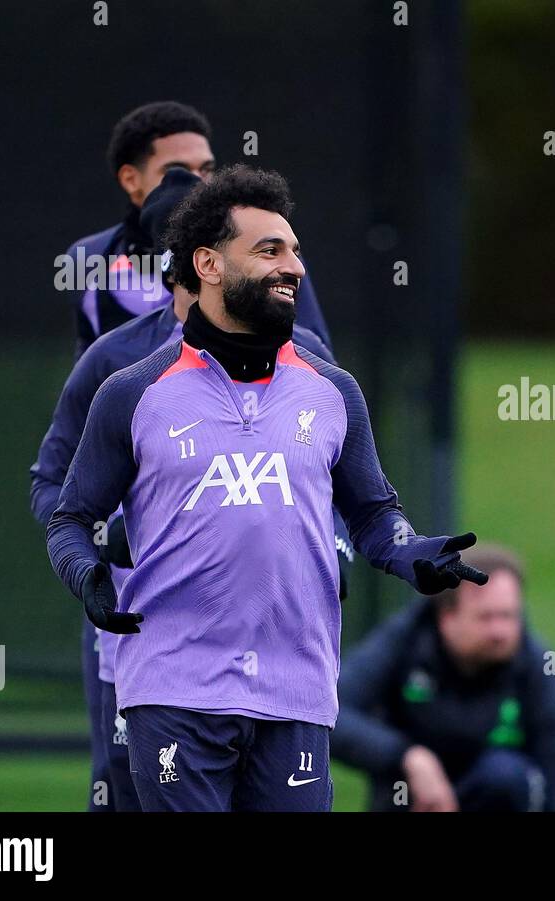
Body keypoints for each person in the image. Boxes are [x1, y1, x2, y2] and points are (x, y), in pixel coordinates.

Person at [46, 165, 484, 812]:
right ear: (209, 264)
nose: (294, 267)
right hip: (173, 688)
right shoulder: (131, 390)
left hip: (297, 690)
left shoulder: (334, 388)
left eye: (296, 251)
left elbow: (372, 513)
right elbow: (69, 518)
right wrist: (86, 572)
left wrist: (412, 550)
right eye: (269, 250)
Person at [30, 166, 344, 811]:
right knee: (120, 788)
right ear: (191, 265)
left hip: (278, 656)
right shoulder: (118, 365)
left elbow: (324, 463)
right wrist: (104, 551)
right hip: (143, 633)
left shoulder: (301, 351)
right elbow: (55, 488)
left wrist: (338, 542)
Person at [330, 545, 555, 812]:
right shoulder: (405, 641)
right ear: (446, 617)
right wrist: (407, 756)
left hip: (499, 796)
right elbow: (333, 710)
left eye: (509, 616)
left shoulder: (537, 663)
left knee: (505, 776)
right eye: (486, 617)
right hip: (414, 801)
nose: (500, 631)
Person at [64, 100, 330, 357]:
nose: (195, 183)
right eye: (176, 170)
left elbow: (313, 360)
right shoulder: (90, 257)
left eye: (206, 169)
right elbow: (89, 376)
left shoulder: (266, 254)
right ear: (131, 179)